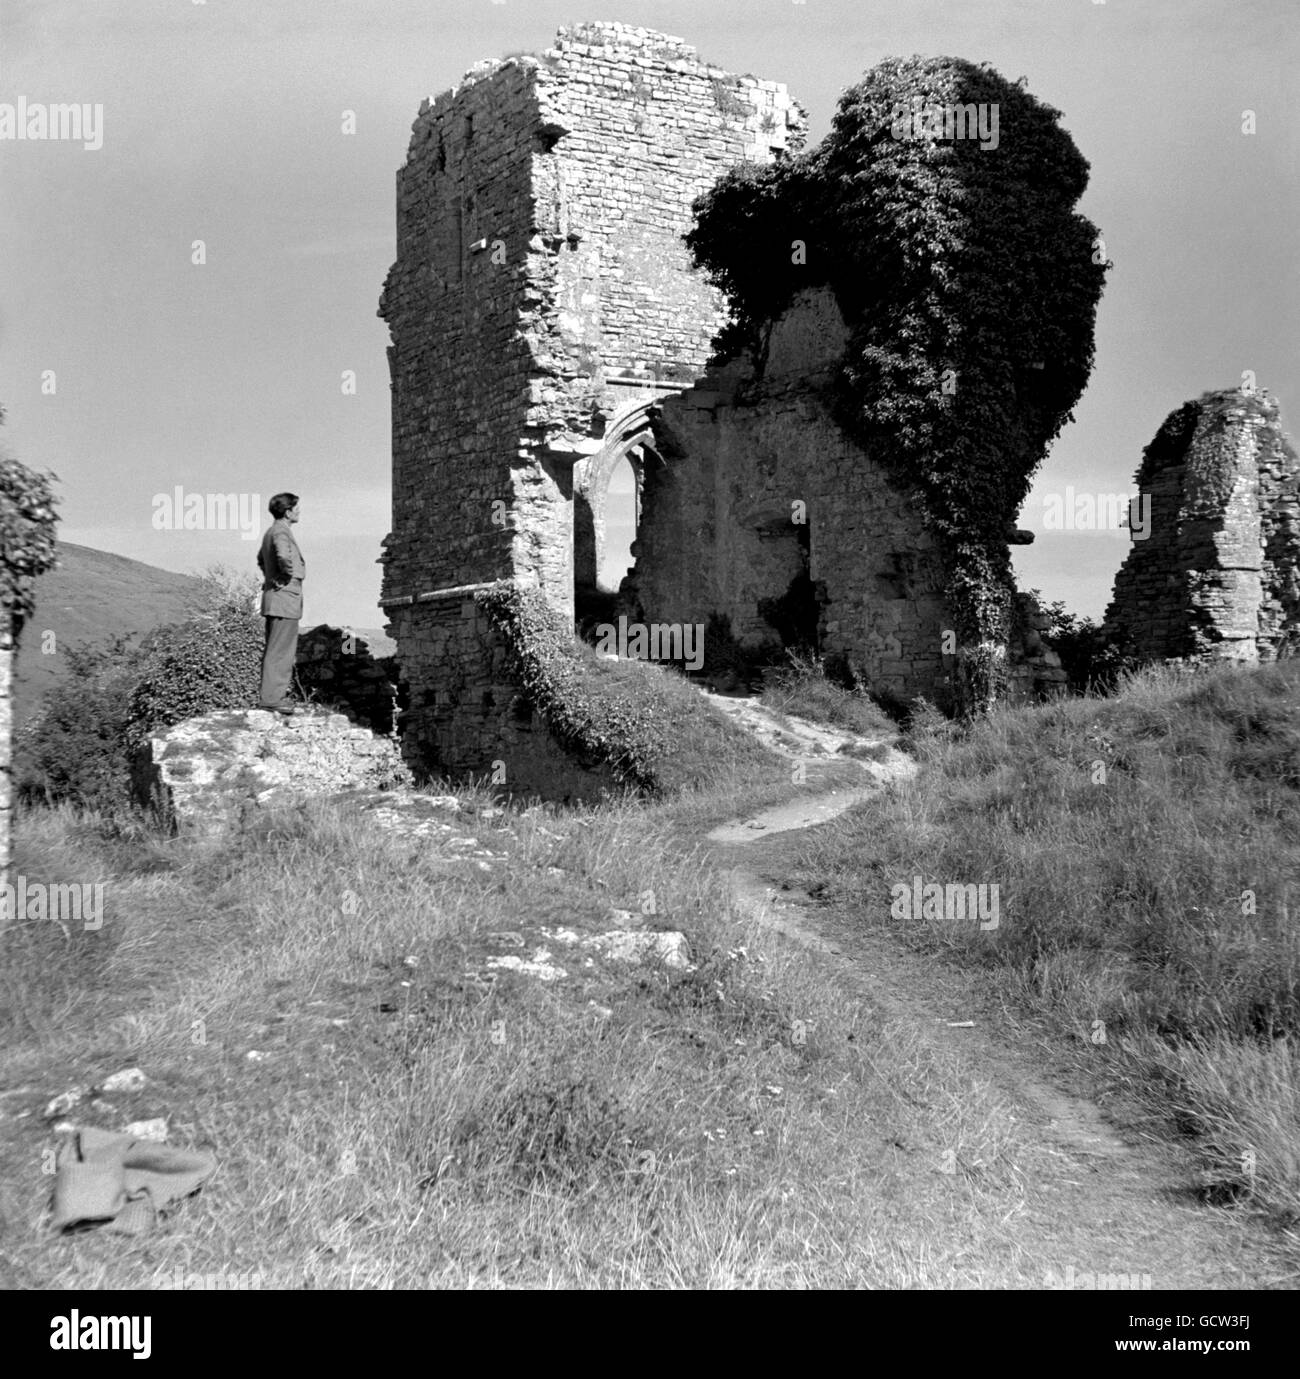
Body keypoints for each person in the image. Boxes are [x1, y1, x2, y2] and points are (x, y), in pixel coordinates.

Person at [257, 492, 305, 715]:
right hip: (284, 599)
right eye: (296, 507)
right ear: (287, 512)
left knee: (276, 648)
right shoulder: (281, 532)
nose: (299, 511)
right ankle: (273, 699)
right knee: (281, 651)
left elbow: (261, 559)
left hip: (276, 597)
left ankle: (272, 697)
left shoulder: (271, 531)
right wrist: (285, 575)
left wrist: (271, 576)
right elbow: (283, 557)